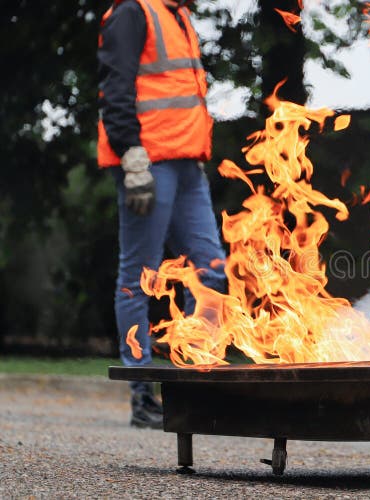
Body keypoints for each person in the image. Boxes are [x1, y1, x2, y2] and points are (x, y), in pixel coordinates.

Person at [97, 0, 226, 428]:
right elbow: (115, 91)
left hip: (187, 164)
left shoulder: (177, 14)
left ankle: (196, 387)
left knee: (210, 271)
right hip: (148, 163)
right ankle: (142, 396)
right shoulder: (133, 12)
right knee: (139, 277)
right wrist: (132, 157)